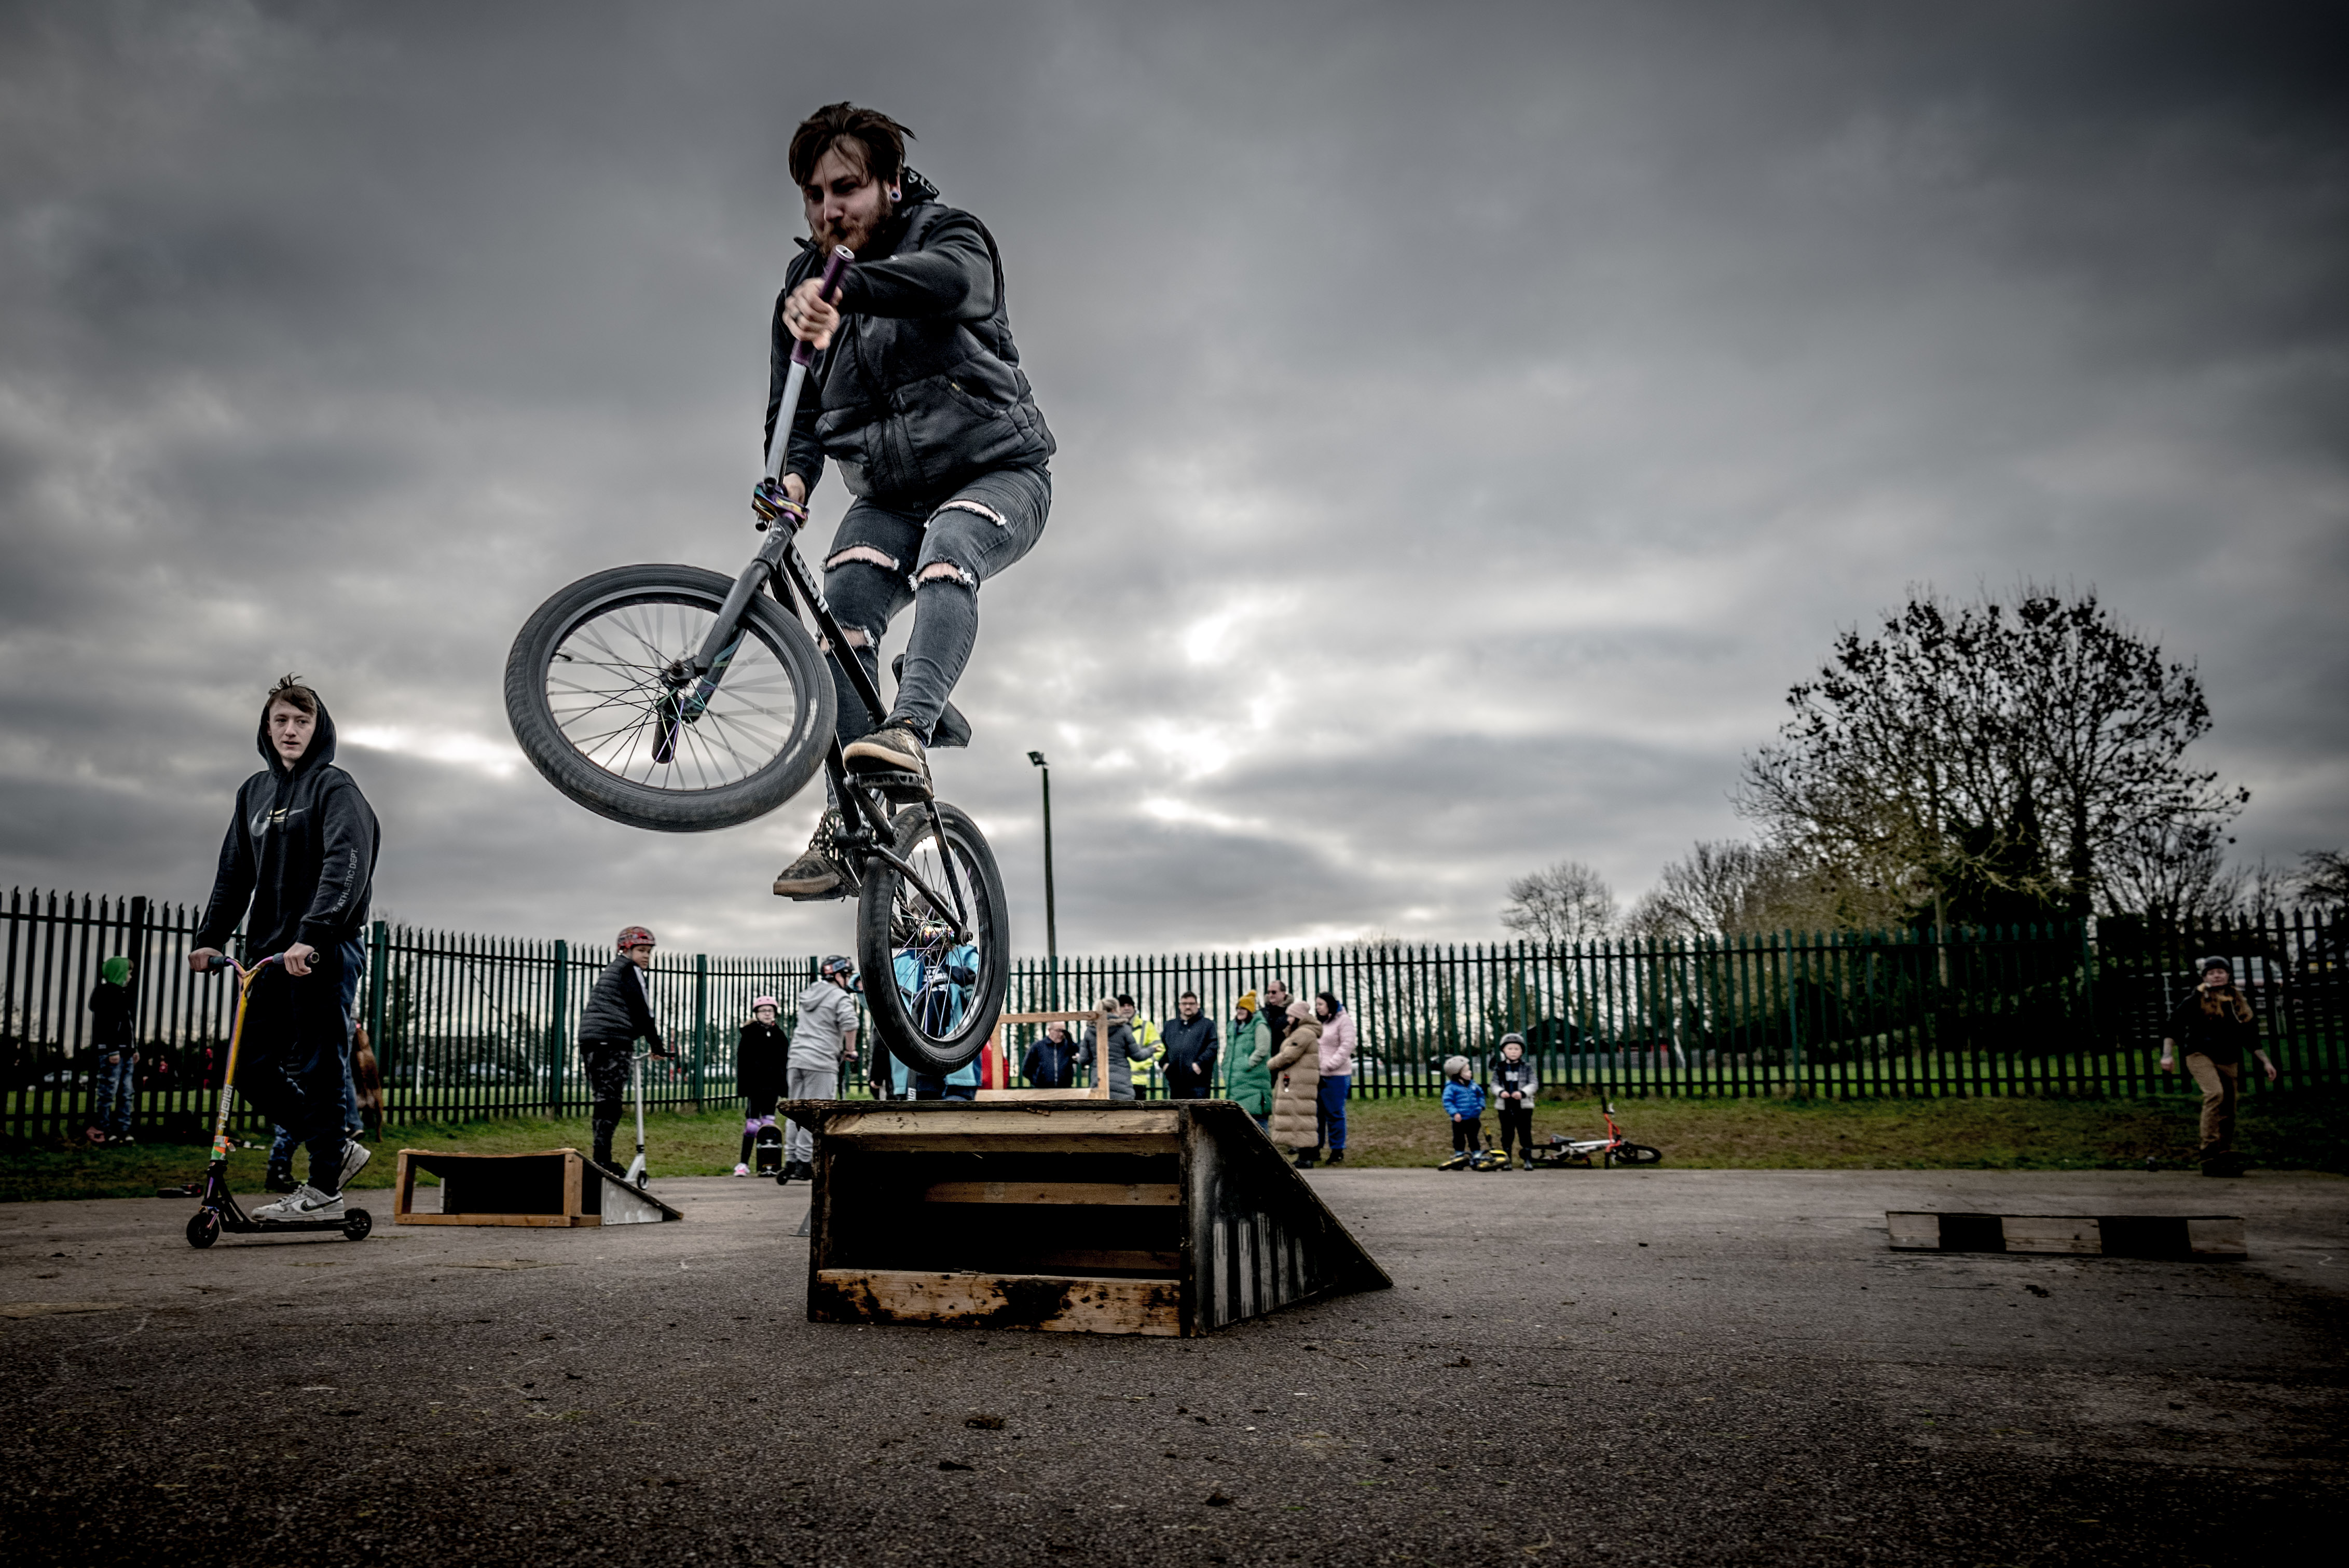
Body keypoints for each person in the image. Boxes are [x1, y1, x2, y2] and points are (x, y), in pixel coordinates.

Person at [766, 102, 1056, 900]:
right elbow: (795, 417)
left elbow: (958, 288)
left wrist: (850, 286)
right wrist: (789, 482)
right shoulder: (801, 290)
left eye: (847, 188)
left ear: (890, 184)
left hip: (997, 469)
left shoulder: (947, 235)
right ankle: (846, 823)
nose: (830, 210)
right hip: (888, 492)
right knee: (843, 609)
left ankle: (913, 726)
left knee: (948, 553)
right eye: (815, 195)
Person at [189, 675, 380, 1222]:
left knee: (321, 1067)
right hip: (269, 953)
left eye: (303, 721)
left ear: (319, 729)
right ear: (266, 727)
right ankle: (335, 1148)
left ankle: (323, 1191)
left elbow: (347, 862)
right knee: (247, 1065)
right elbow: (234, 873)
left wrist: (314, 933)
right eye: (282, 720)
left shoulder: (334, 787)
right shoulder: (253, 792)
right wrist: (209, 939)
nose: (291, 730)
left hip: (323, 948)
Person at [263, 934, 368, 1194]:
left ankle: (282, 1165)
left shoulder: (332, 962)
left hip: (317, 1025)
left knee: (320, 1082)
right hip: (302, 1029)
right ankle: (336, 1140)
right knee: (305, 1087)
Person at [2161, 957, 2278, 1177]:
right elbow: (2172, 1027)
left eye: (2221, 972)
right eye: (2212, 972)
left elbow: (2250, 1036)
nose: (2217, 975)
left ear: (2228, 975)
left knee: (2229, 1108)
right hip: (2199, 1054)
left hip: (2228, 1057)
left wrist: (2266, 1062)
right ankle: (2209, 1151)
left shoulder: (2237, 1002)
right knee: (2215, 1094)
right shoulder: (2195, 1000)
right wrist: (2167, 1055)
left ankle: (2223, 1151)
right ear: (2205, 977)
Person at [578, 927, 674, 1175]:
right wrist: (657, 1045)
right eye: (641, 951)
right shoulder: (629, 970)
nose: (646, 957)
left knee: (603, 1100)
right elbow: (643, 1011)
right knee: (611, 1103)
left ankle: (600, 1158)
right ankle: (602, 1162)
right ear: (626, 949)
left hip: (591, 1040)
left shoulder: (612, 971)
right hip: (611, 1042)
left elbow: (621, 1011)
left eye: (650, 952)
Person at [786, 956, 861, 1179]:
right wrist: (850, 1050)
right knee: (817, 1114)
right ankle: (806, 1163)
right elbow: (850, 1024)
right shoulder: (840, 997)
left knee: (795, 1112)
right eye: (846, 976)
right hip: (820, 1061)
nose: (848, 980)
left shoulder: (811, 993)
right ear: (838, 975)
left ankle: (790, 1160)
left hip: (796, 1059)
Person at [85, 955, 137, 1146]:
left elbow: (127, 1026)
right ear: (120, 972)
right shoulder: (105, 993)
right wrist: (113, 1050)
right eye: (129, 972)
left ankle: (123, 1130)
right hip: (111, 1052)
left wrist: (133, 1048)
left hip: (125, 1051)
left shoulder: (123, 994)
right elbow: (106, 1025)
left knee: (126, 1092)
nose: (130, 976)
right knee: (108, 1091)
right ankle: (104, 1130)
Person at [735, 996, 788, 1176]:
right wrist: (744, 1087)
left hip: (772, 1087)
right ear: (757, 1013)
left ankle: (768, 1165)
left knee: (768, 1125)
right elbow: (742, 1062)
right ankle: (743, 1164)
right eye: (763, 1011)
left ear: (775, 1014)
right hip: (754, 1087)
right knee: (752, 1126)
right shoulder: (749, 1033)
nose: (767, 1014)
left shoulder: (779, 1035)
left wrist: (784, 1086)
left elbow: (784, 1062)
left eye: (770, 1011)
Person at [1267, 999, 1324, 1168]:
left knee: (1301, 1117)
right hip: (1298, 1081)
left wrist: (1270, 1064)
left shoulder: (1303, 1034)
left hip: (1299, 1083)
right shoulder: (1303, 1032)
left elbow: (1288, 1055)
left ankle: (1306, 1157)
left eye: (1291, 1016)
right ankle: (1306, 1154)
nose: (1288, 1019)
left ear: (1299, 1017)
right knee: (1300, 1116)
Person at [1078, 996, 1152, 1101]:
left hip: (1099, 1085)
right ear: (1114, 1010)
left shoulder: (1090, 1031)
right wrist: (1151, 1050)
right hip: (1122, 1087)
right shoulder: (1124, 1029)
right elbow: (1137, 1056)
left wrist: (1078, 1057)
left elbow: (1084, 1060)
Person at [1313, 991, 1356, 1165]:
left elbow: (1348, 1044)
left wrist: (1331, 1064)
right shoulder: (1318, 1023)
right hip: (1319, 1074)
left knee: (1335, 1113)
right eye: (1316, 1004)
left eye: (1320, 1004)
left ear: (1329, 1005)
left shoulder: (1343, 1020)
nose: (1317, 1008)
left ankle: (1337, 1150)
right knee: (1317, 1114)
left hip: (1337, 1075)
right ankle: (1315, 1148)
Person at [1490, 1032, 1540, 1171]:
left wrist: (1523, 1093)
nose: (1513, 1052)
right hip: (1505, 1105)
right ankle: (1507, 1160)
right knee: (1507, 1133)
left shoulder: (1527, 1067)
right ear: (1504, 1051)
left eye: (1517, 1049)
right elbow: (1494, 1084)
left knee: (1525, 1132)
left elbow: (1534, 1083)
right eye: (1510, 1049)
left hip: (1523, 1105)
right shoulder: (1499, 1068)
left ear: (1522, 1051)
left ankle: (1528, 1159)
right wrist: (1501, 1092)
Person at [1160, 991, 1219, 1101]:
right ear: (1180, 1006)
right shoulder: (1170, 1025)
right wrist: (1164, 1064)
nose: (1188, 1006)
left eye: (1192, 1004)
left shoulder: (1207, 1025)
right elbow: (1161, 1047)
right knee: (1177, 1115)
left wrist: (1199, 1064)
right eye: (1184, 1003)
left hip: (1199, 1082)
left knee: (1199, 1115)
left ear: (1197, 1005)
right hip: (1175, 1081)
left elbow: (1213, 1047)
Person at [1226, 992, 1273, 1129]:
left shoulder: (1260, 1026)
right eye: (1238, 1008)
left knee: (1258, 1122)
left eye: (1243, 1008)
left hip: (1254, 1080)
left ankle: (1264, 1150)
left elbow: (1263, 1049)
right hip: (1237, 1081)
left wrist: (1248, 1064)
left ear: (1251, 1010)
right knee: (1239, 1123)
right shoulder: (1234, 1027)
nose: (1240, 1011)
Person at [1440, 1055, 1485, 1167]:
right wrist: (1455, 1113)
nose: (1470, 1073)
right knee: (1459, 1139)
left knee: (1473, 1137)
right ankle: (1459, 1155)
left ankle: (1476, 1155)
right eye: (1467, 1071)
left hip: (1473, 1118)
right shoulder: (1451, 1088)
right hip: (1459, 1119)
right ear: (1457, 1075)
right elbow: (1448, 1102)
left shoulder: (1474, 1086)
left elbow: (1481, 1095)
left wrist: (1481, 1106)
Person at [1021, 1020, 1077, 1089]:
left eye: (1063, 1031)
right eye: (1058, 1031)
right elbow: (1026, 1069)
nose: (1061, 1034)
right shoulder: (1038, 1046)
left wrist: (1071, 1042)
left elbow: (1079, 1057)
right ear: (1050, 1030)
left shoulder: (1068, 1046)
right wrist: (1036, 1081)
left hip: (1065, 1089)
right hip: (1042, 1090)